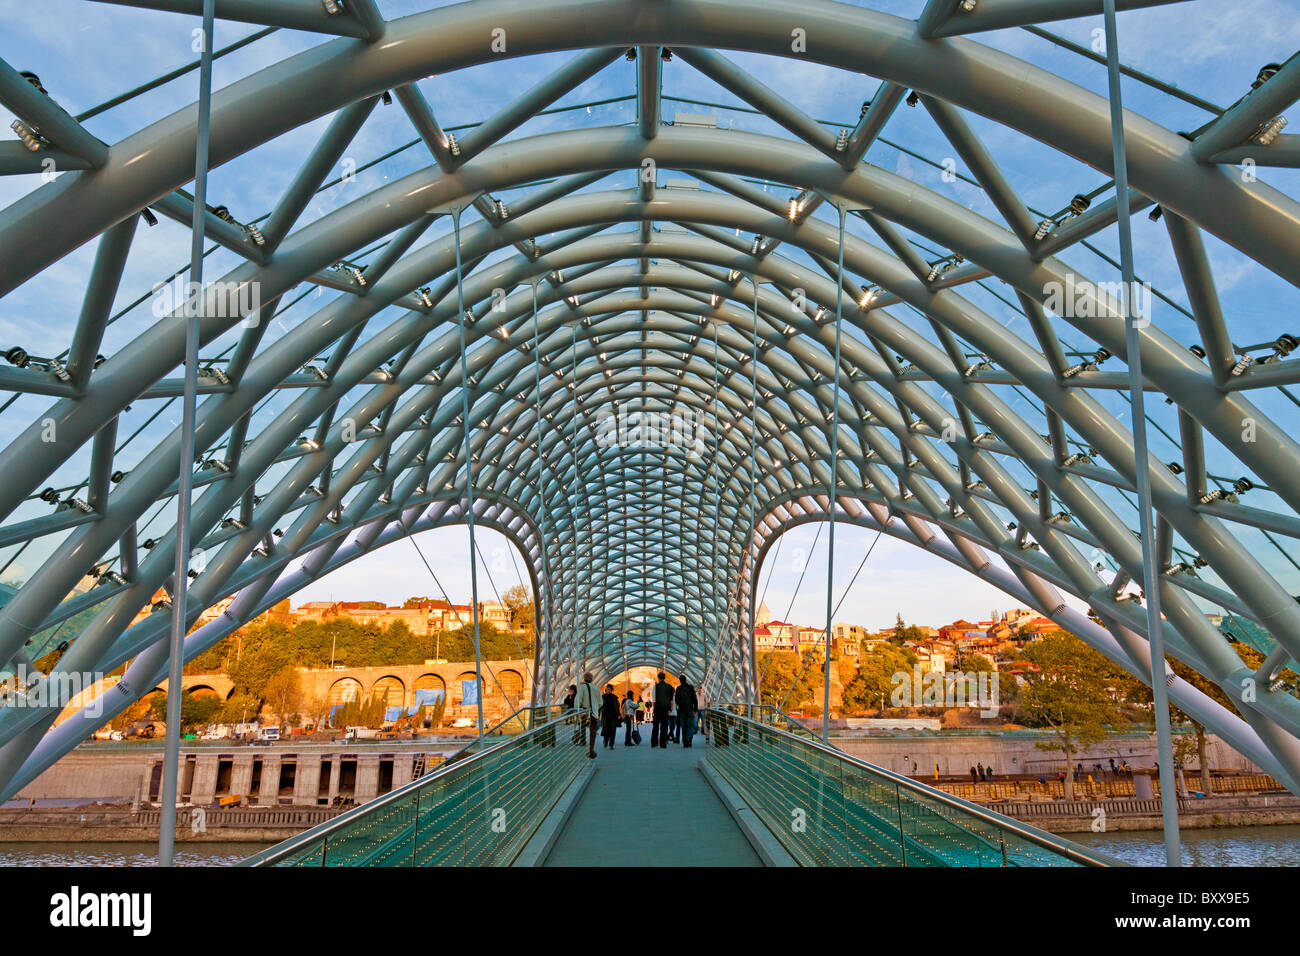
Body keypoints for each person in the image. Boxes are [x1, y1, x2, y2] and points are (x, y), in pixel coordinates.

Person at [574, 673, 601, 758]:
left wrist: (579, 711)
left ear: (584, 679)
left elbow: (577, 701)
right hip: (594, 714)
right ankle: (591, 750)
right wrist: (596, 708)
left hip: (585, 713)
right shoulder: (596, 688)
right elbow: (601, 703)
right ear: (592, 679)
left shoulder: (582, 688)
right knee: (593, 733)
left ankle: (584, 743)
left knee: (583, 728)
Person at [675, 674, 699, 748]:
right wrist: (695, 708)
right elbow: (695, 698)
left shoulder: (678, 689)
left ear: (680, 681)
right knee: (690, 724)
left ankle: (685, 742)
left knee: (684, 725)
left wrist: (680, 706)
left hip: (682, 710)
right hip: (689, 709)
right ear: (686, 680)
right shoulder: (690, 688)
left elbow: (676, 700)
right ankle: (689, 739)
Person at [651, 672, 673, 748]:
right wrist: (670, 708)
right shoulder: (669, 687)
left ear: (658, 678)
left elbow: (653, 699)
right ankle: (663, 743)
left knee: (655, 726)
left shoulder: (655, 687)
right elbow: (671, 700)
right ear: (664, 678)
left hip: (657, 708)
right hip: (665, 709)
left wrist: (654, 708)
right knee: (664, 726)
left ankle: (654, 743)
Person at [600, 683, 620, 750]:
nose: (608, 690)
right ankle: (605, 741)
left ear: (612, 690)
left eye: (609, 689)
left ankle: (611, 744)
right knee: (606, 729)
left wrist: (619, 714)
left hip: (613, 716)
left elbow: (617, 706)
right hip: (605, 715)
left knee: (613, 730)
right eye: (607, 689)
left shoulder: (615, 697)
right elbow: (600, 706)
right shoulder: (603, 697)